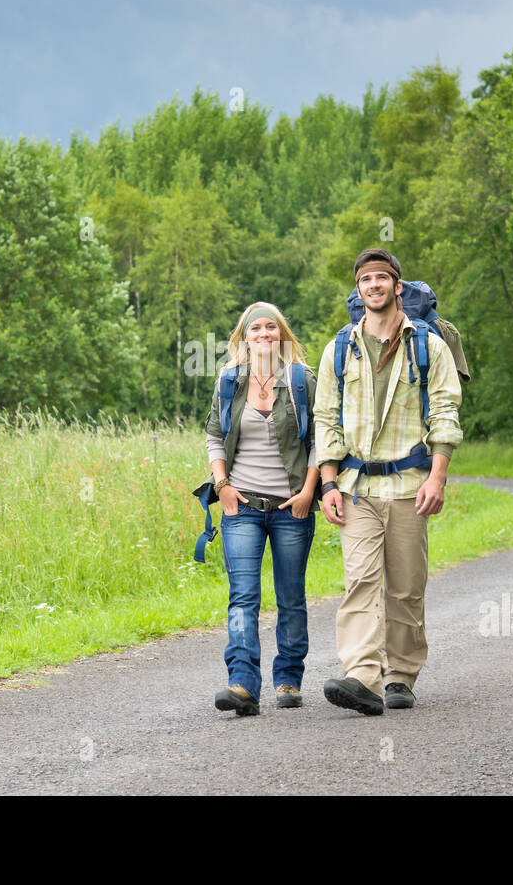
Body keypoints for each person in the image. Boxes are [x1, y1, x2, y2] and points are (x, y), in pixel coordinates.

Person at [313, 249, 463, 715]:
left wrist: (437, 478)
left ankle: (400, 675)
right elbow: (325, 420)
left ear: (398, 287)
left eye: (382, 278)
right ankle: (361, 676)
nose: (374, 285)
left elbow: (444, 414)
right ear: (358, 290)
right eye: (365, 280)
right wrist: (327, 483)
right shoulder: (340, 348)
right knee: (360, 581)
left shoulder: (428, 346)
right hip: (356, 488)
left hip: (409, 485)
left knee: (405, 586)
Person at [200, 302, 320, 716]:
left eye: (272, 327)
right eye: (256, 329)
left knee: (290, 597)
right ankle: (242, 683)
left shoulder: (302, 380)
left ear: (282, 335)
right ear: (244, 337)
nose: (264, 334)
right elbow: (215, 436)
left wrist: (308, 491)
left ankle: (288, 678)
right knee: (243, 596)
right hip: (242, 506)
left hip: (293, 507)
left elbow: (321, 441)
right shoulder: (229, 380)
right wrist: (223, 486)